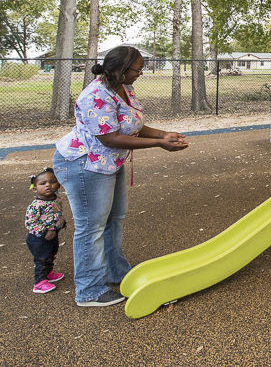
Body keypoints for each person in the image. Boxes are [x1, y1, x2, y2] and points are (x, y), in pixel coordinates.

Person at [52, 46, 189, 307]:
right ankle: (89, 290)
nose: (141, 73)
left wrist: (163, 134)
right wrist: (159, 144)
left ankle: (115, 271)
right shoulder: (95, 95)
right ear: (121, 69)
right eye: (138, 69)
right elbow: (110, 138)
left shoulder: (123, 87)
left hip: (108, 163)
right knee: (91, 226)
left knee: (114, 219)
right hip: (85, 163)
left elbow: (131, 124)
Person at [25, 168, 66, 294]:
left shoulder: (56, 199)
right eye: (42, 183)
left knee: (51, 254)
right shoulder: (36, 205)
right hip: (39, 238)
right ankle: (39, 283)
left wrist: (61, 223)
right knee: (42, 259)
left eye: (52, 182)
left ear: (58, 185)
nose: (48, 185)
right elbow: (30, 223)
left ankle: (48, 273)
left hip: (53, 234)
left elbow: (57, 214)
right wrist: (44, 232)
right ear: (35, 189)